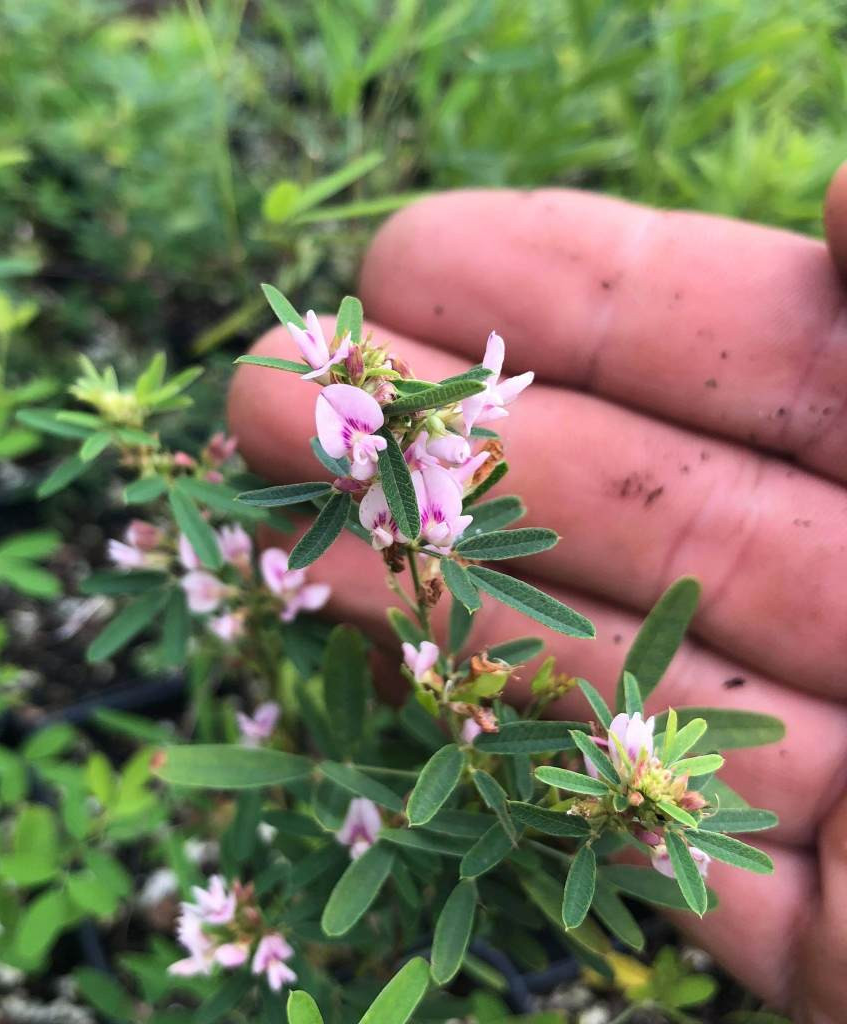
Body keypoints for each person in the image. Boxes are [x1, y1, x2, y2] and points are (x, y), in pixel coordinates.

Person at [228, 173, 847, 1024]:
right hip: (411, 514)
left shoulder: (420, 471)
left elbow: (406, 493)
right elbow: (385, 489)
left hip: (429, 528)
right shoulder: (387, 469)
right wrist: (400, 484)